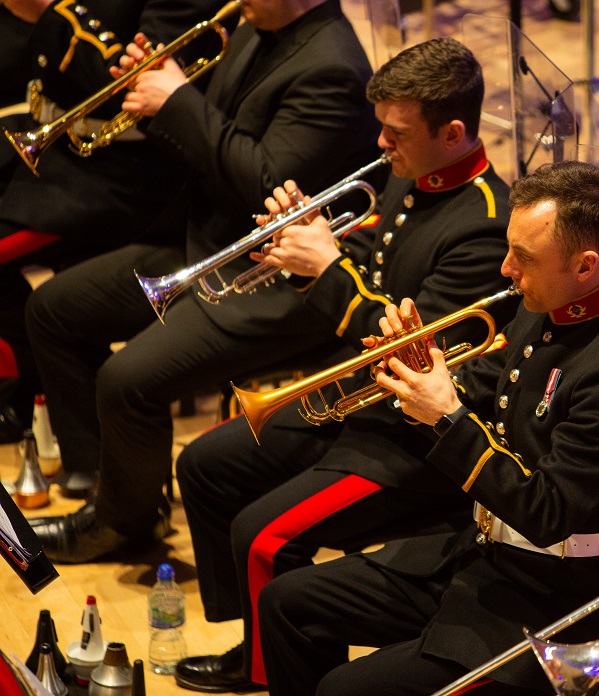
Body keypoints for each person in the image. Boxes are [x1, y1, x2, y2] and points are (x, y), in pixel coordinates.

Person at [256, 160, 599, 696]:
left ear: (584, 265)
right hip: (478, 554)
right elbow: (482, 387)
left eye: (523, 257)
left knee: (343, 690)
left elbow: (547, 512)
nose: (506, 268)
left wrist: (446, 417)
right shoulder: (548, 305)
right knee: (287, 603)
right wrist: (418, 368)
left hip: (548, 600)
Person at [171, 37, 516, 693]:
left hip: (408, 443)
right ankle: (259, 646)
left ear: (452, 133)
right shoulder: (411, 176)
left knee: (263, 537)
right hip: (353, 406)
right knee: (204, 465)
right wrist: (307, 246)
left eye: (395, 132)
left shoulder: (482, 227)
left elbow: (410, 350)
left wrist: (325, 269)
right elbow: (378, 277)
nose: (379, 144)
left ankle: (279, 676)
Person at [25, 0, 381, 560]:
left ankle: (121, 524)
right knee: (53, 311)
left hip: (273, 275)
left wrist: (177, 101)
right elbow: (210, 136)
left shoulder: (334, 68)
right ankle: (110, 485)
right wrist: (150, 100)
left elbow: (269, 184)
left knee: (126, 380)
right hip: (207, 239)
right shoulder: (255, 27)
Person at [0, 0, 226, 452]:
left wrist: (50, 10)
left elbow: (130, 87)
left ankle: (42, 406)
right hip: (49, 150)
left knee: (55, 310)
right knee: (49, 315)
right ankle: (35, 397)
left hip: (119, 177)